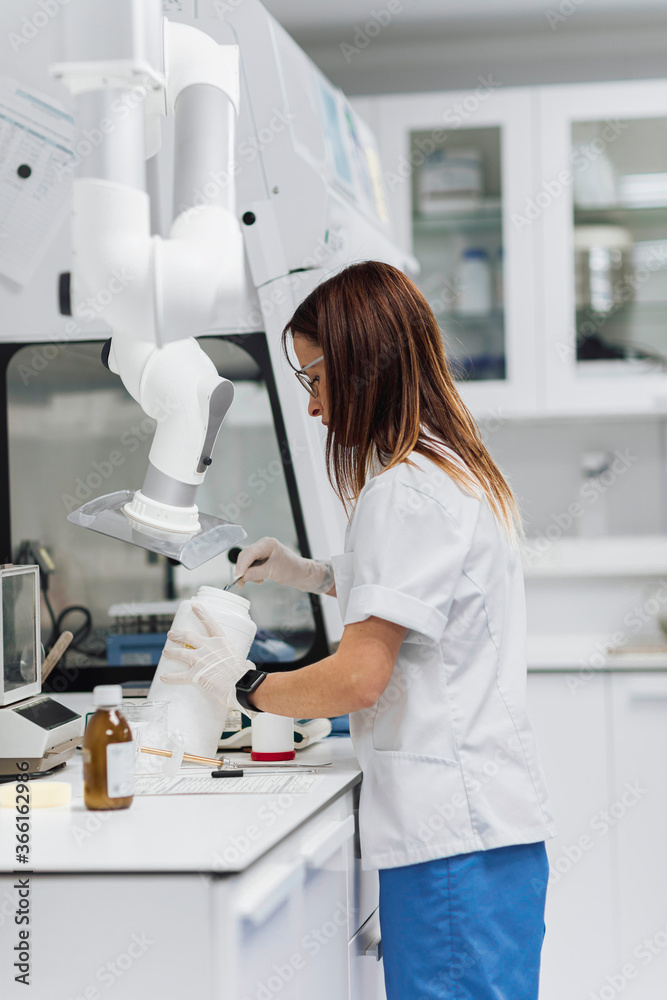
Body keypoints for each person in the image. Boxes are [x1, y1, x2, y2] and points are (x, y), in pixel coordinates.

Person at [162, 260, 556, 1000]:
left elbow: (356, 677)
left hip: (449, 851)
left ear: (362, 363)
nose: (312, 407)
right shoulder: (449, 469)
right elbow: (420, 585)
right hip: (484, 839)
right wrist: (305, 573)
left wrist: (237, 686)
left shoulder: (405, 490)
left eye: (314, 378)